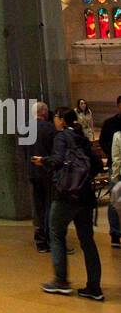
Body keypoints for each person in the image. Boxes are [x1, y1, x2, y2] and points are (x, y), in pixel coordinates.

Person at [33, 109, 104, 300]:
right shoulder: (81, 137)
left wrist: (42, 161)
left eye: (56, 118)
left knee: (56, 233)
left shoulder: (62, 136)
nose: (54, 120)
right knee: (87, 241)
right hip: (85, 196)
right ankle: (94, 287)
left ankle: (61, 281)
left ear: (62, 120)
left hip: (66, 195)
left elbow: (56, 161)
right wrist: (82, 178)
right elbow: (97, 165)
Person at [29, 102, 55, 252]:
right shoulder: (50, 128)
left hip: (32, 172)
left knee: (38, 206)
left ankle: (40, 240)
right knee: (49, 205)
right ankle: (50, 237)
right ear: (44, 112)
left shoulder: (24, 128)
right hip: (47, 171)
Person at [98, 94, 121, 163]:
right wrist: (111, 153)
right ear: (118, 105)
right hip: (114, 161)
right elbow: (102, 141)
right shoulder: (109, 123)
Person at [109, 126, 121, 251]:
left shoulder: (118, 136)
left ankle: (115, 234)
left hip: (120, 176)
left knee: (114, 205)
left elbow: (116, 160)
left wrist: (115, 178)